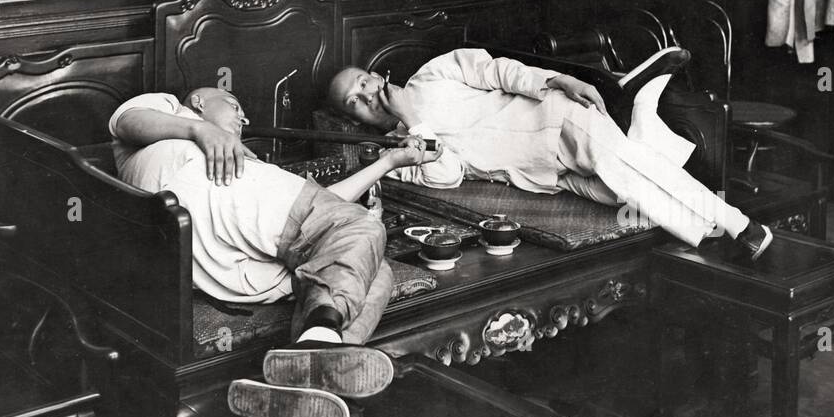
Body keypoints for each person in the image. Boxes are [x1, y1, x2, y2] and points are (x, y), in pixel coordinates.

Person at [109, 86, 438, 417]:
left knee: (373, 268)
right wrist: (201, 129)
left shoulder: (248, 163)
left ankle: (305, 379)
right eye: (234, 105)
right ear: (200, 102)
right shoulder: (172, 110)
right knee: (363, 226)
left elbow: (322, 208)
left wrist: (387, 162)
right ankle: (318, 344)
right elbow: (127, 121)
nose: (244, 118)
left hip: (230, 263)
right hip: (215, 227)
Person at [327, 47, 773, 261]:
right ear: (356, 119)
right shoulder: (402, 149)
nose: (366, 95)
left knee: (631, 172)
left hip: (557, 120)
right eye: (353, 101)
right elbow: (447, 176)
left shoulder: (431, 75)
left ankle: (740, 226)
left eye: (364, 81)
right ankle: (639, 114)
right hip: (547, 173)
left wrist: (558, 81)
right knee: (629, 195)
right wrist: (416, 125)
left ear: (376, 75)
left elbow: (498, 71)